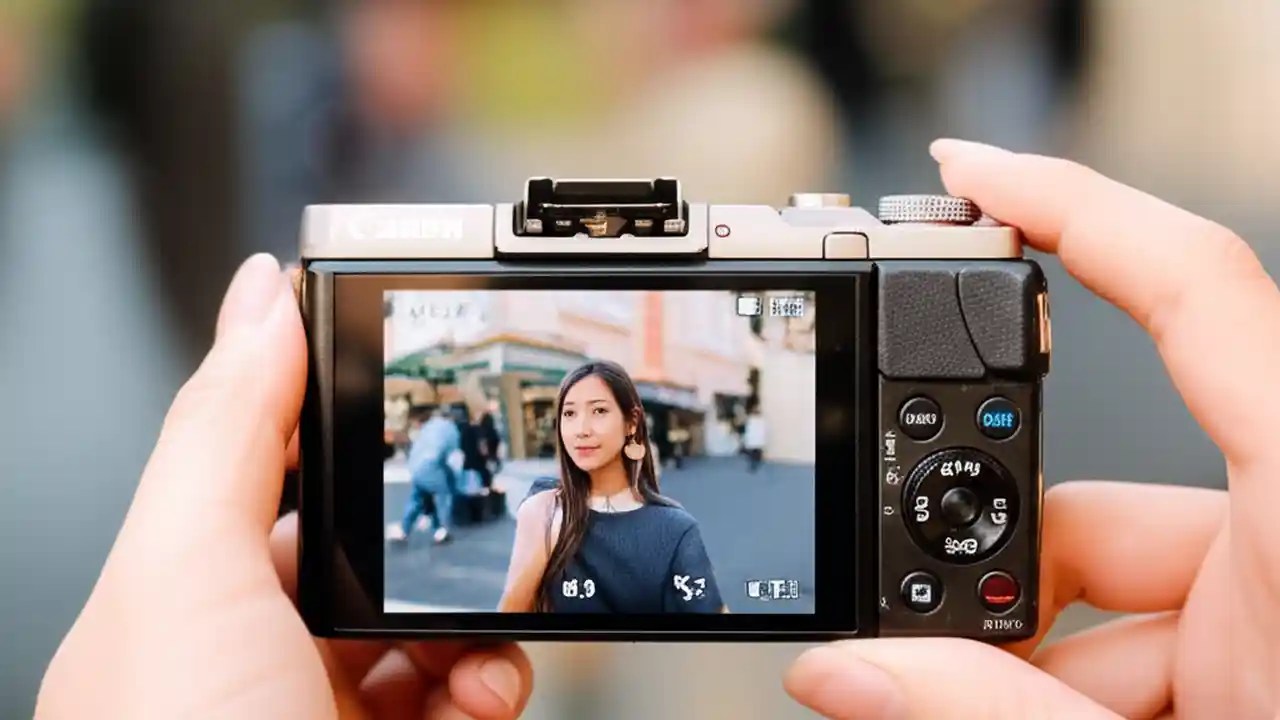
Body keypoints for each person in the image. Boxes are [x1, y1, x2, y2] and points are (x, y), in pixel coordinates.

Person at [33, 140, 1280, 720]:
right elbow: (492, 622)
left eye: (592, 408)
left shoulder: (683, 525)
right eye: (563, 410)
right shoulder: (536, 513)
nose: (574, 423)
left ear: (628, 423)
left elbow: (691, 610)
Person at [497, 360, 727, 614]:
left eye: (598, 411)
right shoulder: (543, 507)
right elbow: (508, 623)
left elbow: (717, 633)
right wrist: (548, 536)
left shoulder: (674, 528)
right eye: (569, 414)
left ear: (632, 422)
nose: (581, 430)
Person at [389, 404, 459, 544]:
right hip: (432, 466)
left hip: (416, 467)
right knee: (443, 496)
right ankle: (442, 529)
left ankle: (404, 529)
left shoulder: (428, 427)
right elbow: (452, 452)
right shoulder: (450, 428)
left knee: (416, 498)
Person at [742, 403, 766, 472]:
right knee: (755, 453)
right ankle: (754, 464)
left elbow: (748, 431)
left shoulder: (751, 420)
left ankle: (754, 465)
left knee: (754, 453)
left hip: (754, 441)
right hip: (756, 441)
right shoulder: (758, 420)